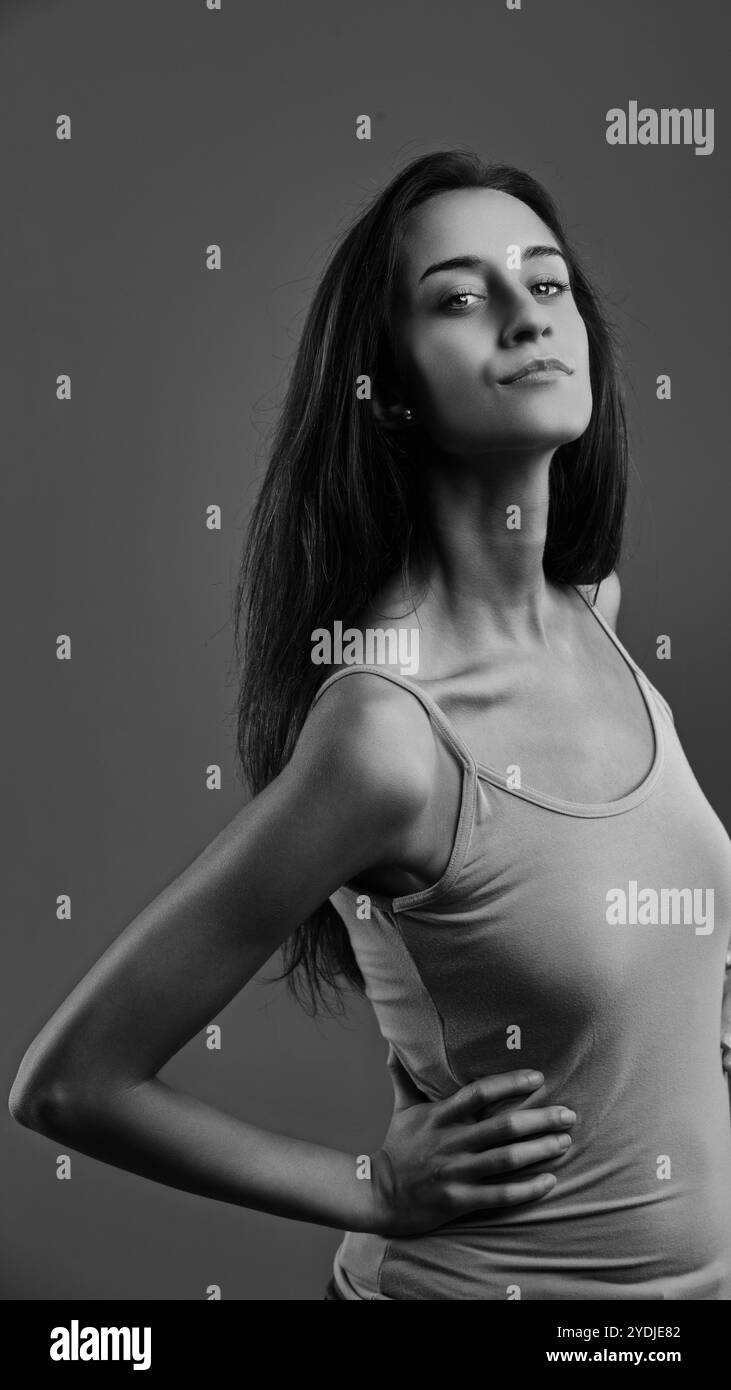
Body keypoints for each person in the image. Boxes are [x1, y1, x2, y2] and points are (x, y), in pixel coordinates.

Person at [9, 150, 731, 1301]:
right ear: (386, 390)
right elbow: (71, 1082)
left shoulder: (594, 611)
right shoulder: (386, 733)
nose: (523, 320)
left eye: (545, 286)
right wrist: (369, 1184)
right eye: (459, 297)